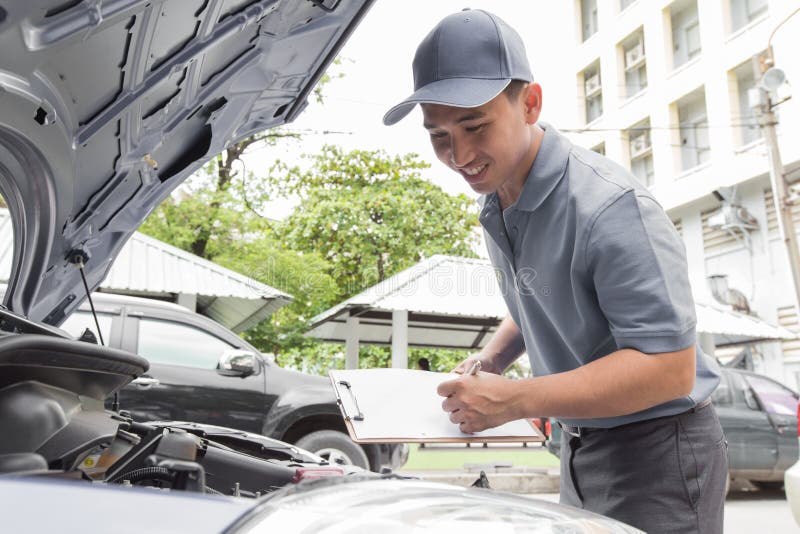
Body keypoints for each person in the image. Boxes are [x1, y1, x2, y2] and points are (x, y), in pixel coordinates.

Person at [383, 9, 727, 533]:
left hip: (660, 453)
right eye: (439, 135)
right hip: (579, 446)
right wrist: (493, 361)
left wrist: (515, 399)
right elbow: (542, 294)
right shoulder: (499, 198)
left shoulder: (611, 208)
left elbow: (669, 367)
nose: (460, 155)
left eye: (475, 127)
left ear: (531, 104)